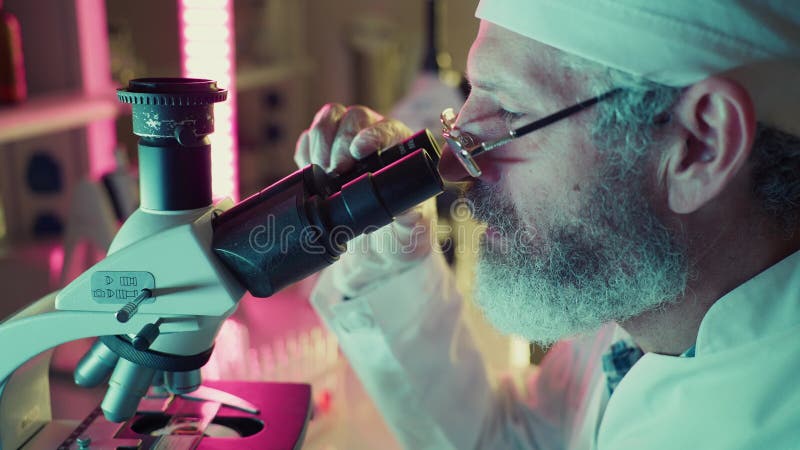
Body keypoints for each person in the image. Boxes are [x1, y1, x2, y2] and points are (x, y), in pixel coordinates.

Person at [293, 1, 800, 449]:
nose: (451, 164)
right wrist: (391, 246)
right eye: (469, 100)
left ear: (698, 144)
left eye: (510, 111)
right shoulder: (640, 301)